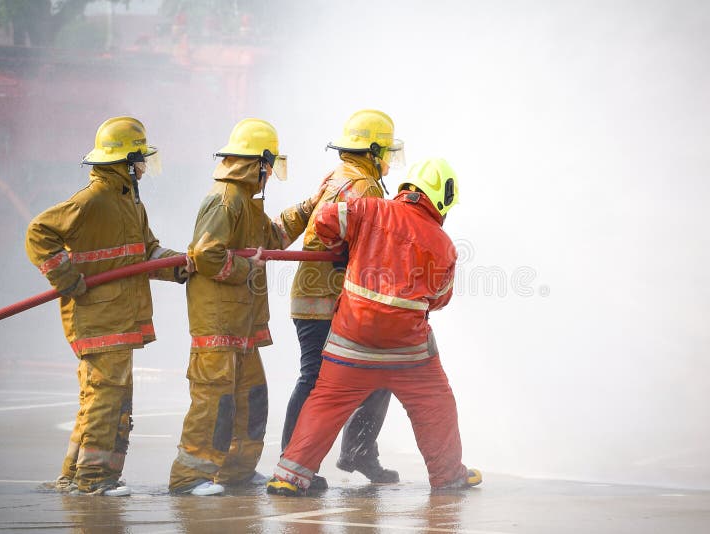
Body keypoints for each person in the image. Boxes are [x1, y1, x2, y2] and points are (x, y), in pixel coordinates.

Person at [267, 158, 481, 495]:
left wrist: (343, 249)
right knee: (437, 403)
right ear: (442, 198)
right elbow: (440, 299)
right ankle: (448, 475)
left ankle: (289, 476)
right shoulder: (443, 244)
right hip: (408, 354)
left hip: (351, 342)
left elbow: (324, 219)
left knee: (324, 402)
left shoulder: (368, 210)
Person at [26, 116, 186, 496]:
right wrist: (66, 278)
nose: (145, 168)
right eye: (141, 160)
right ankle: (94, 479)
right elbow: (38, 232)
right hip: (100, 319)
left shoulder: (128, 202)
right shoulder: (92, 200)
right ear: (127, 162)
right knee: (105, 400)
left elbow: (146, 254)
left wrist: (182, 265)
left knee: (105, 399)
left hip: (119, 317)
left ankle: (79, 474)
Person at [168, 118, 327, 496]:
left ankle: (235, 472)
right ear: (259, 162)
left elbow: (275, 236)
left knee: (251, 401)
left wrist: (310, 206)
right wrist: (247, 267)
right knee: (214, 404)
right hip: (218, 323)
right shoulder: (225, 199)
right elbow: (207, 254)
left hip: (242, 325)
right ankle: (190, 478)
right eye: (269, 166)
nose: (271, 174)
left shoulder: (247, 202)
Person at [283, 109, 406, 487]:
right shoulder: (363, 187)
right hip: (328, 299)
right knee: (318, 378)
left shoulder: (339, 176)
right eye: (385, 152)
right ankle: (295, 460)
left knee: (372, 373)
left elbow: (301, 219)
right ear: (371, 151)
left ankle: (355, 453)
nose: (388, 160)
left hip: (321, 297)